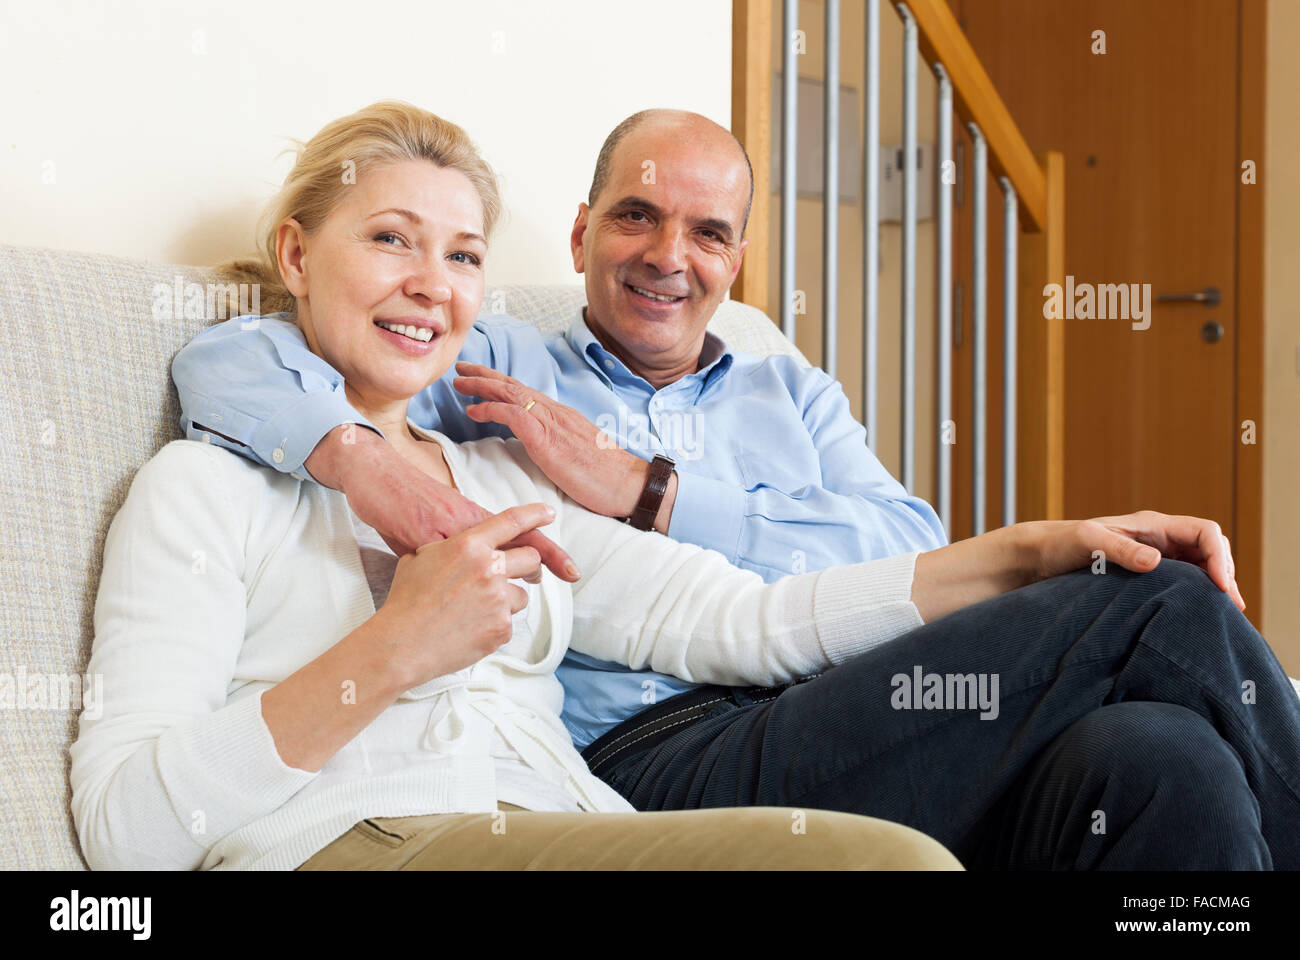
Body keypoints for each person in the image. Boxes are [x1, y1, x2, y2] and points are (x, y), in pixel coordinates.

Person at [158, 105, 1300, 869]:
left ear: (734, 259)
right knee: (1150, 595)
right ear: (580, 235)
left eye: (706, 231)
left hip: (869, 714)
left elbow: (898, 544)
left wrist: (644, 488)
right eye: (637, 216)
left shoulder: (788, 389)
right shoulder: (499, 367)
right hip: (661, 754)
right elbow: (237, 357)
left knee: (1160, 757)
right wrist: (359, 463)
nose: (668, 255)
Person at [70, 101, 975, 871]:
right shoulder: (202, 487)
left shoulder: (503, 471)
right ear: (297, 259)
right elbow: (124, 835)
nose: (431, 285)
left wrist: (1015, 557)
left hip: (557, 820)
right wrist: (396, 647)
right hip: (356, 837)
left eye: (463, 257)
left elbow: (745, 620)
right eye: (391, 239)